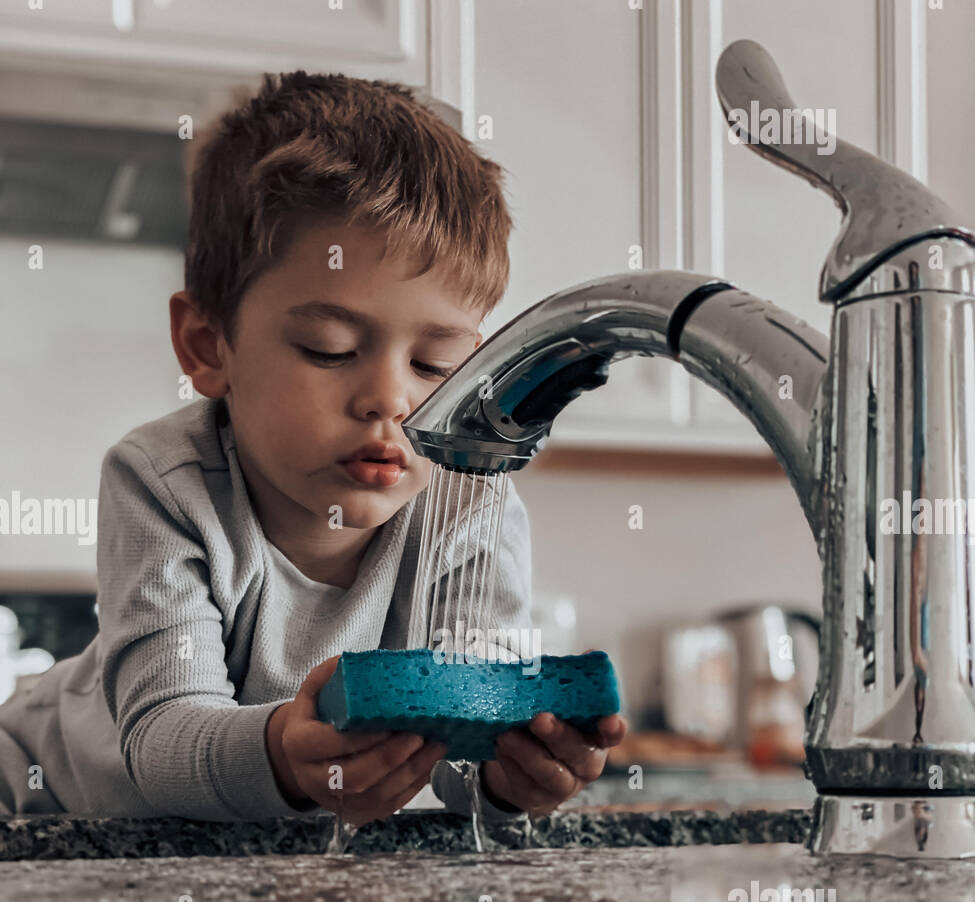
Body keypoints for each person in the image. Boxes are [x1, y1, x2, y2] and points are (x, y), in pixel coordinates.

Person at [0, 70, 625, 822]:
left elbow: (458, 750)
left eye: (435, 365)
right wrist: (282, 758)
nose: (390, 401)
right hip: (36, 788)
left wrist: (509, 776)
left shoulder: (469, 505)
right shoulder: (164, 484)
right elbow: (163, 742)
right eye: (329, 349)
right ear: (208, 346)